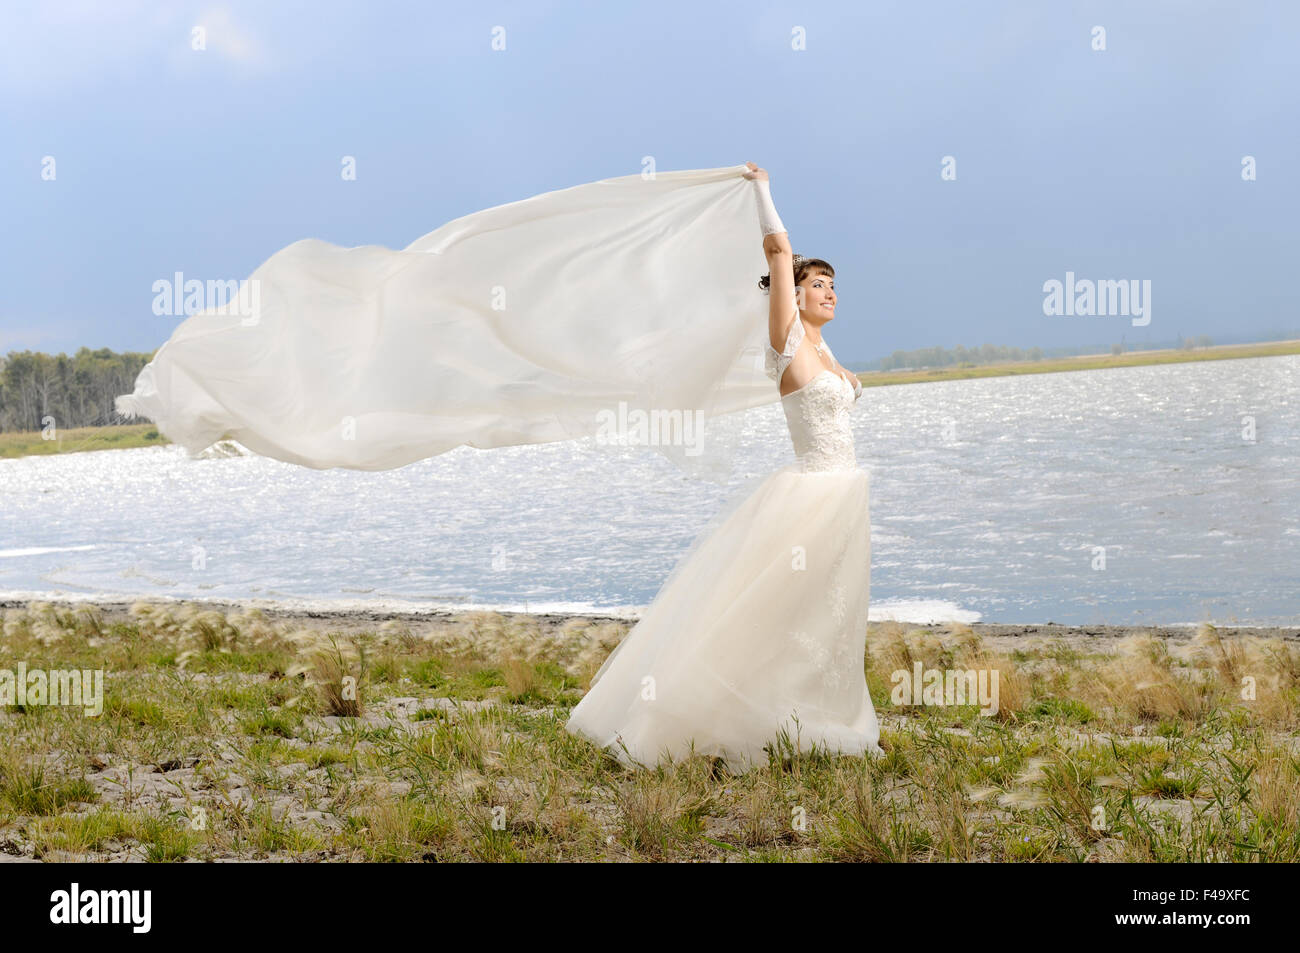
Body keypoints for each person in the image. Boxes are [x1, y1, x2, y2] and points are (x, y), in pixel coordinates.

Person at [564, 162, 884, 773]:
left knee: (830, 617)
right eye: (819, 284)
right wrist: (761, 190)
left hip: (845, 495)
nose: (831, 292)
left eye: (835, 285)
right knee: (771, 614)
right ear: (793, 292)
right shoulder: (786, 340)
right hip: (809, 497)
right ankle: (709, 718)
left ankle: (826, 720)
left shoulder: (825, 349)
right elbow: (779, 247)